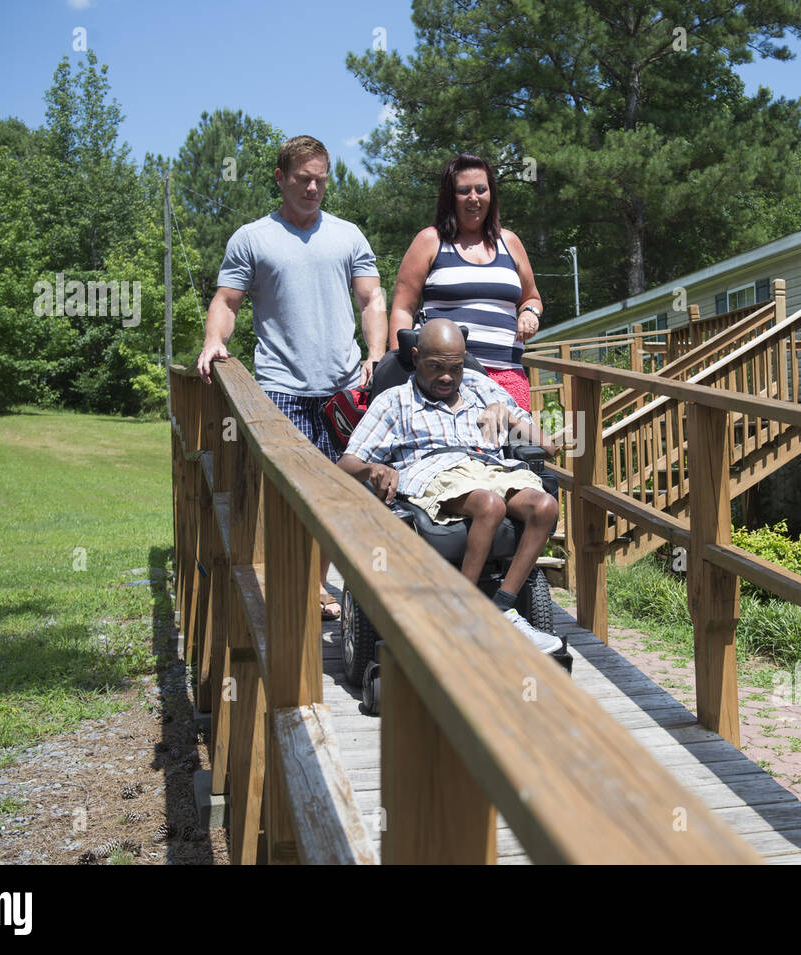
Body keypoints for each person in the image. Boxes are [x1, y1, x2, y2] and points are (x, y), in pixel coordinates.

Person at [196, 135, 387, 620]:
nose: (313, 187)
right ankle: (294, 588)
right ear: (281, 179)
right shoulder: (253, 238)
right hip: (281, 389)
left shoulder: (347, 235)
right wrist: (213, 342)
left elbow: (371, 300)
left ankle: (317, 584)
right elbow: (226, 301)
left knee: (339, 492)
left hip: (345, 388)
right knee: (293, 497)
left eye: (321, 179)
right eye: (303, 179)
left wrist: (377, 355)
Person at [337, 319, 562, 653]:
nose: (447, 377)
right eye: (435, 367)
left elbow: (548, 447)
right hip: (433, 470)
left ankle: (502, 608)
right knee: (489, 505)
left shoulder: (480, 386)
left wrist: (508, 414)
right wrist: (373, 469)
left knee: (545, 506)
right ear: (415, 357)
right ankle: (462, 614)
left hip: (490, 467)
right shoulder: (394, 401)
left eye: (455, 368)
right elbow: (345, 464)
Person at [387, 154, 542, 412]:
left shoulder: (510, 242)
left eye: (481, 189)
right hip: (445, 381)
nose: (473, 197)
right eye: (463, 191)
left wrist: (530, 312)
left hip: (507, 377)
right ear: (451, 197)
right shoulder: (430, 240)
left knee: (515, 450)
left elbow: (532, 297)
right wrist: (399, 366)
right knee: (450, 451)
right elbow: (403, 309)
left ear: (491, 194)